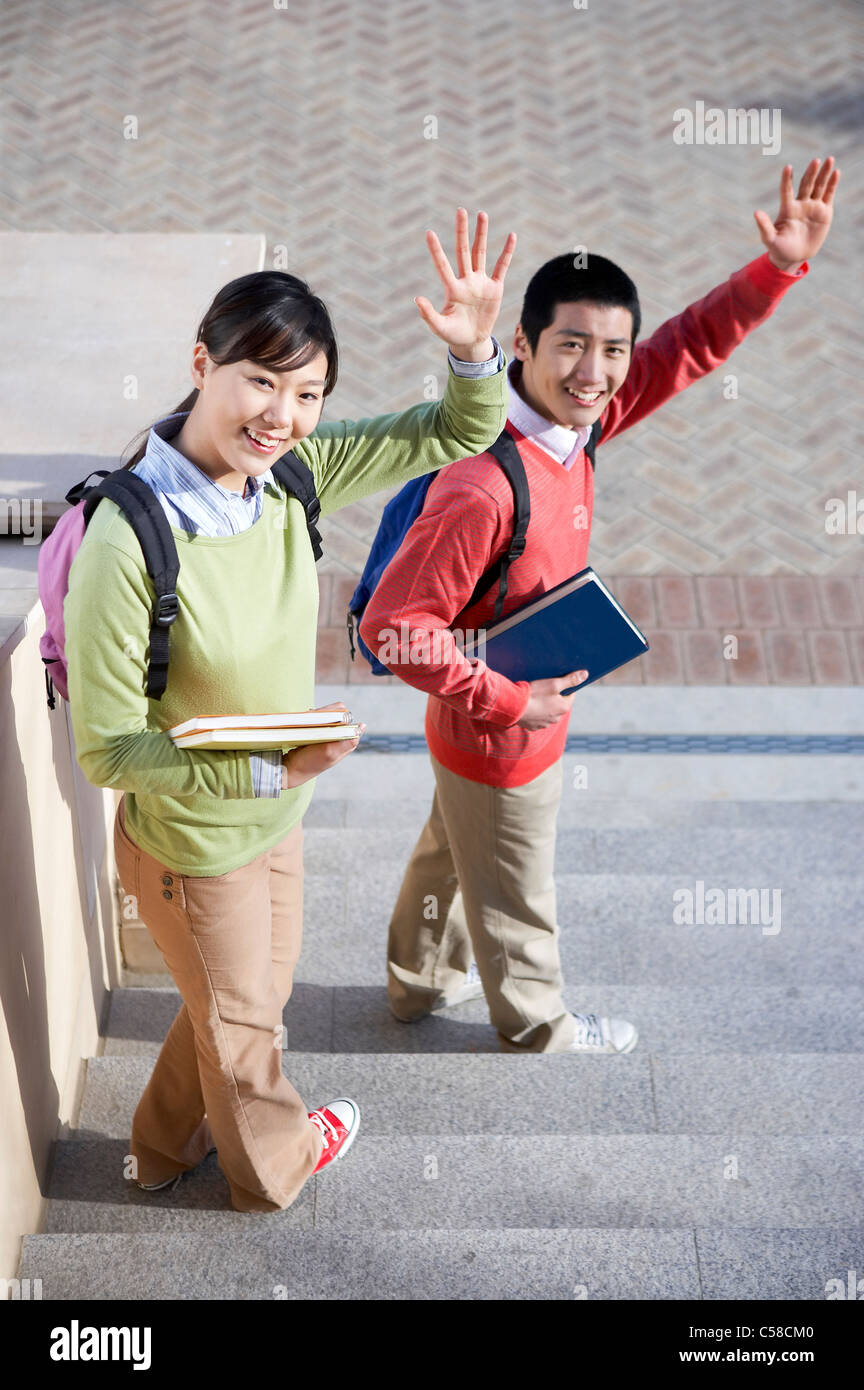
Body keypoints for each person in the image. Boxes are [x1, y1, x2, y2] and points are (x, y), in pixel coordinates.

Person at [64, 210, 517, 1212]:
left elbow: (456, 428)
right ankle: (272, 1168)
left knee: (245, 1001)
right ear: (202, 363)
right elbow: (106, 748)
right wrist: (265, 771)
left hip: (278, 809)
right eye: (261, 380)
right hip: (193, 838)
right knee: (251, 1029)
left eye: (308, 392)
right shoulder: (126, 542)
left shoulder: (292, 474)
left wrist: (476, 350)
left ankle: (158, 1146)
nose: (281, 413)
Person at [359, 158, 840, 1054]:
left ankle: (415, 987)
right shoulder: (485, 484)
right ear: (525, 348)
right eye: (572, 345)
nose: (597, 371)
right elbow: (395, 629)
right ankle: (537, 1024)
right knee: (517, 885)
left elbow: (688, 346)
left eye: (613, 349)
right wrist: (514, 704)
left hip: (470, 726)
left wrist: (774, 268)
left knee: (451, 856)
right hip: (503, 726)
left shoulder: (575, 425)